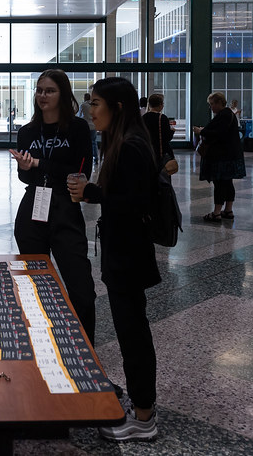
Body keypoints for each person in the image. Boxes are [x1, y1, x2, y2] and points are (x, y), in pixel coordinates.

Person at [67, 77, 159, 442]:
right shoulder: (123, 141)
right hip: (122, 251)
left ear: (117, 107)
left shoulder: (132, 146)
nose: (91, 111)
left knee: (133, 333)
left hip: (129, 255)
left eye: (96, 104)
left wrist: (91, 193)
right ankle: (142, 405)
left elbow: (136, 204)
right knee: (129, 330)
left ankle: (144, 416)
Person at [8, 69, 96, 343]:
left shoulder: (78, 129)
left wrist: (39, 163)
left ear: (63, 94)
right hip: (33, 207)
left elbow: (81, 172)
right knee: (35, 281)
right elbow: (26, 177)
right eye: (39, 90)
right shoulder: (27, 131)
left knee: (80, 286)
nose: (42, 96)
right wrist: (26, 167)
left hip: (65, 208)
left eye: (50, 90)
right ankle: (42, 340)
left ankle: (85, 347)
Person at [193, 91, 246, 222]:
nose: (210, 107)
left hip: (222, 157)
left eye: (211, 104)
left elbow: (218, 133)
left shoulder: (223, 115)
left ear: (218, 103)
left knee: (220, 183)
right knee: (228, 182)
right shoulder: (228, 114)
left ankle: (216, 213)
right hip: (231, 155)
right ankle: (228, 210)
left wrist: (201, 131)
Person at [141, 93, 173, 162]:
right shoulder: (163, 118)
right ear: (160, 105)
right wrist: (172, 131)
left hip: (147, 151)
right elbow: (167, 137)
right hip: (160, 152)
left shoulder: (143, 118)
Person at [78, 92, 99, 163]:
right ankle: (96, 159)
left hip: (86, 126)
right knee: (94, 142)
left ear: (84, 98)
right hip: (93, 126)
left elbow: (79, 115)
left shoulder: (83, 105)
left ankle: (86, 159)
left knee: (85, 143)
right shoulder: (93, 105)